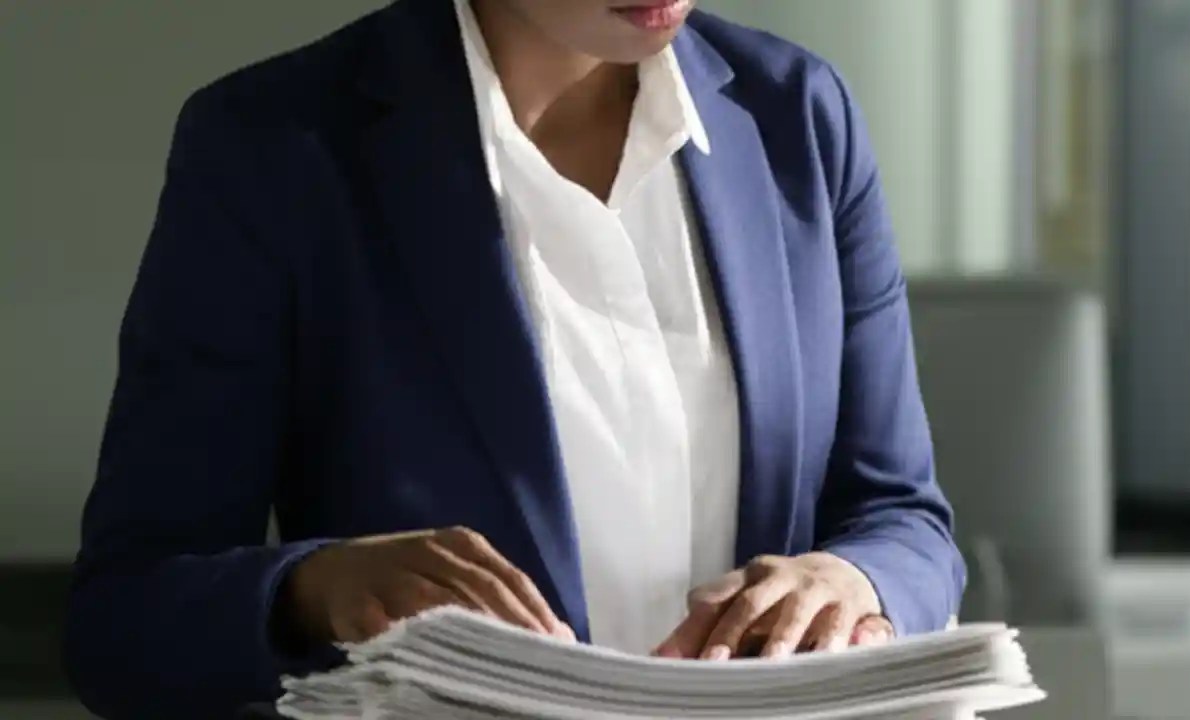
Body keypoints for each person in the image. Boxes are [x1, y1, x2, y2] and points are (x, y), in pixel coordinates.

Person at [64, 0, 965, 717]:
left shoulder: (800, 118)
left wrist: (855, 579)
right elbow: (123, 621)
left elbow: (903, 517)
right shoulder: (274, 149)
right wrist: (314, 587)